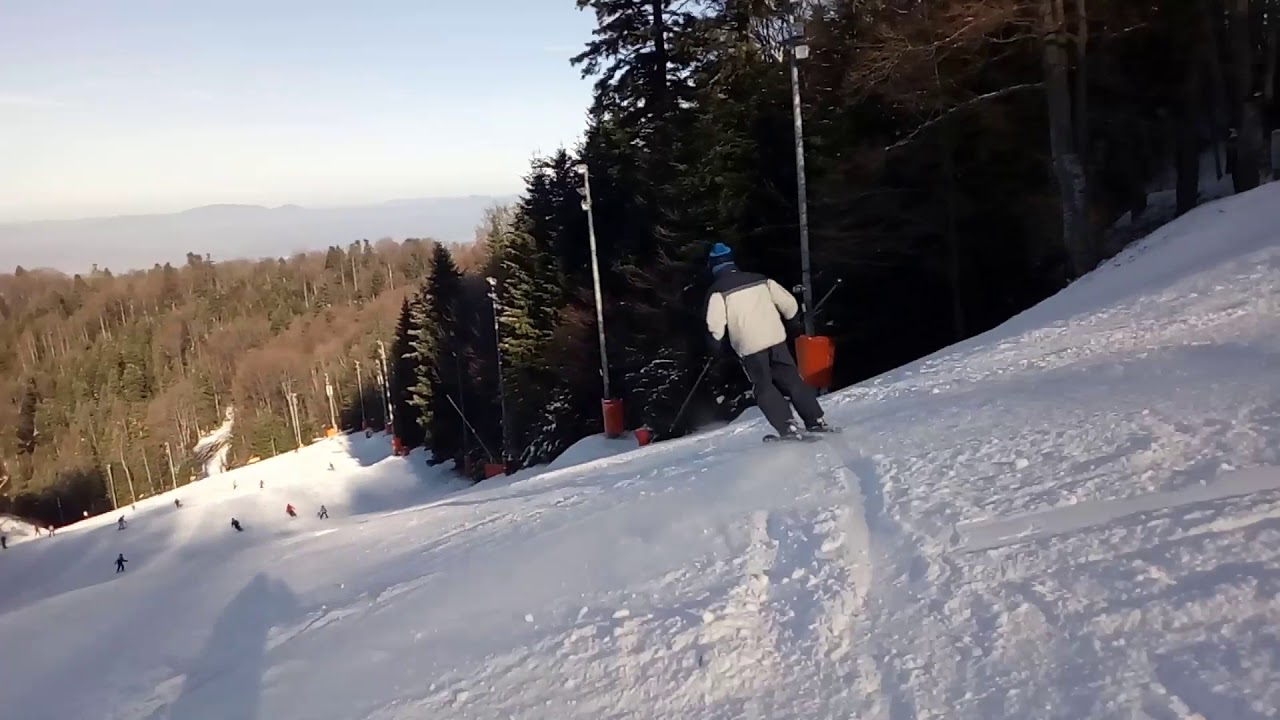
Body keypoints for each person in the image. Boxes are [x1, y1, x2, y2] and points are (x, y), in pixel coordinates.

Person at [704, 242, 831, 440]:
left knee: (763, 387)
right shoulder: (761, 280)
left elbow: (715, 326)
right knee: (792, 380)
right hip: (776, 339)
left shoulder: (718, 291)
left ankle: (787, 427)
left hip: (750, 347)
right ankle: (815, 420)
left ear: (713, 266)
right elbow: (789, 305)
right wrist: (793, 324)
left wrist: (715, 349)